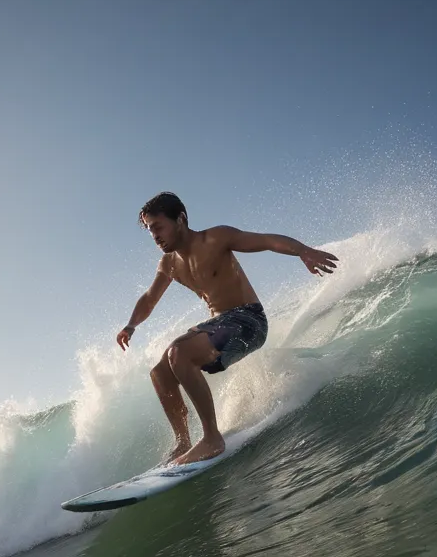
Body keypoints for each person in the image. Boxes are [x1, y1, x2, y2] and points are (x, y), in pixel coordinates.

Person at [117, 192, 339, 464]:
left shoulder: (216, 238)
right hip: (218, 324)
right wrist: (131, 325)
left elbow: (266, 240)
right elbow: (150, 298)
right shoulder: (169, 264)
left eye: (158, 227)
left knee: (178, 353)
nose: (155, 236)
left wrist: (304, 251)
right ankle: (183, 442)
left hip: (249, 321)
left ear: (181, 219)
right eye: (151, 230)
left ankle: (212, 438)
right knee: (160, 373)